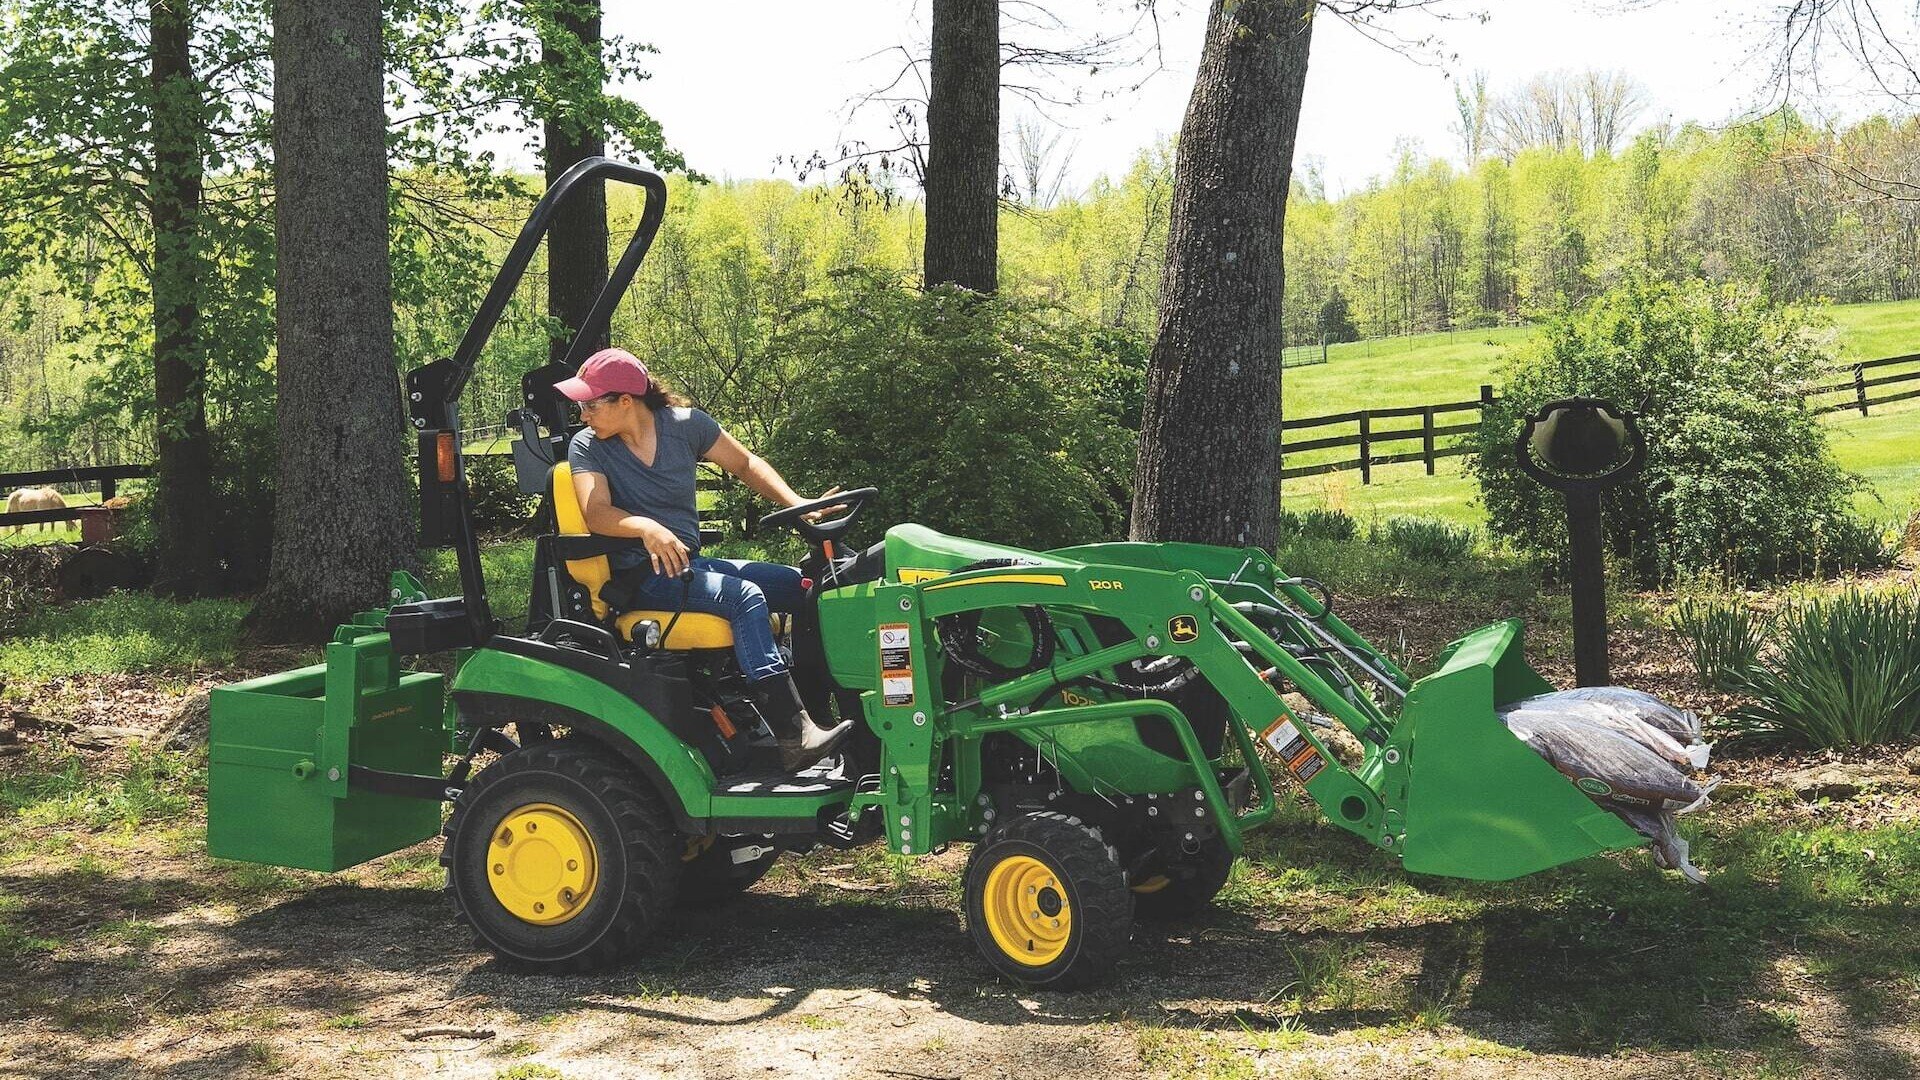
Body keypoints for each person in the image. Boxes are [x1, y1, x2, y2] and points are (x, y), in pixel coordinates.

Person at [555, 347, 851, 770]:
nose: (583, 415)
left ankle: (821, 713)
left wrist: (797, 503)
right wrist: (646, 527)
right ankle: (793, 734)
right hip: (641, 573)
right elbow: (596, 511)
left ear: (625, 401)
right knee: (743, 597)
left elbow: (746, 464)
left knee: (805, 588)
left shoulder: (686, 426)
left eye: (589, 404)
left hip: (687, 566)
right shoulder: (589, 447)